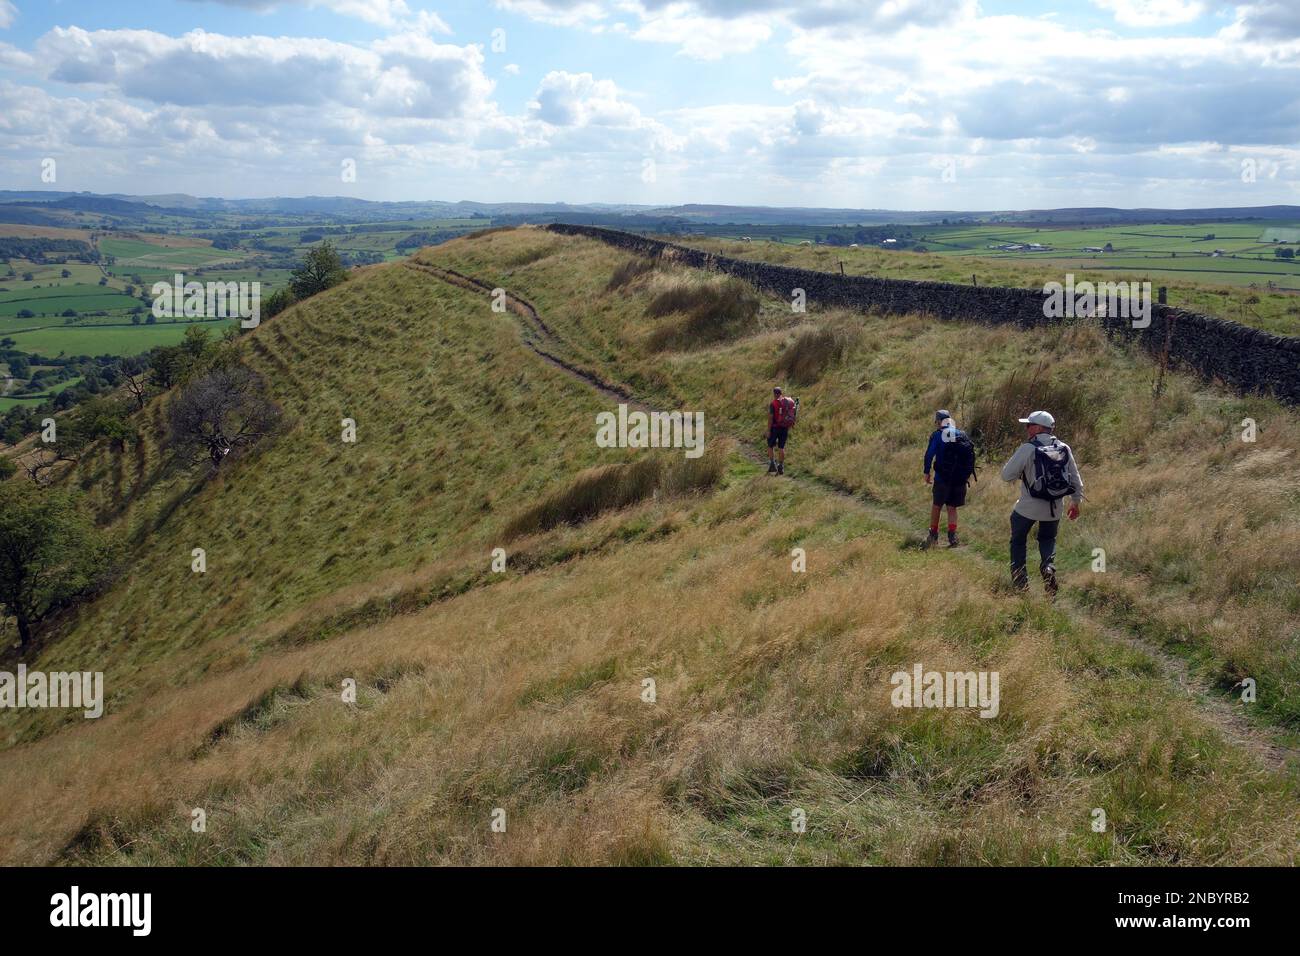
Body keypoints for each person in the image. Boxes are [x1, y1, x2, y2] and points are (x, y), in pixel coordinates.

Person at [999, 410, 1083, 595]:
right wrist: (1075, 502)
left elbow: (1006, 475)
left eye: (1029, 425)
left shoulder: (1028, 448)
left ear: (1038, 428)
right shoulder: (1064, 448)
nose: (1027, 428)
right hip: (1054, 508)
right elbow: (1076, 479)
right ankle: (1048, 567)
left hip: (1028, 508)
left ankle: (1021, 584)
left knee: (1018, 541)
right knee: (1047, 539)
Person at [923, 409, 976, 548]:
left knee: (937, 506)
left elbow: (929, 455)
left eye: (936, 421)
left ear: (940, 421)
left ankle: (933, 535)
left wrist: (926, 472)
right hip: (959, 479)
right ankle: (952, 536)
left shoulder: (937, 435)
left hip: (942, 478)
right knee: (952, 507)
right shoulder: (961, 434)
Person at [767, 386, 798, 475]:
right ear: (781, 393)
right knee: (781, 447)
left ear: (774, 394)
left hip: (775, 427)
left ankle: (772, 464)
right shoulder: (788, 402)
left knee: (770, 445)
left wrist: (768, 430)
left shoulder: (773, 404)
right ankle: (781, 466)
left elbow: (770, 418)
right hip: (784, 428)